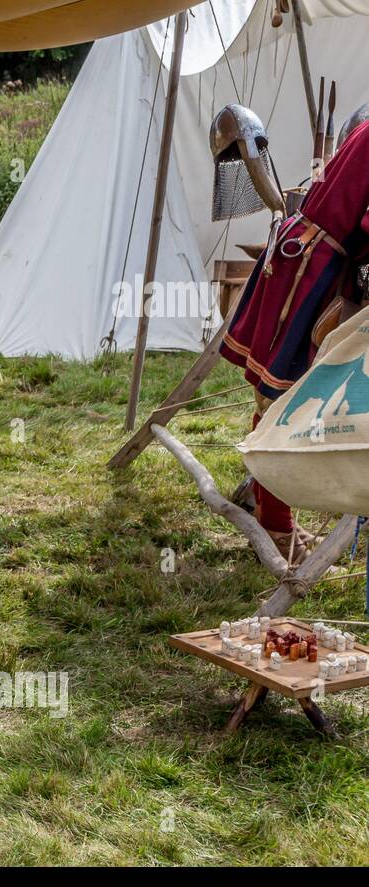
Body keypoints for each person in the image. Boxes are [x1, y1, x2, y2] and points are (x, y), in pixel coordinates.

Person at [219, 112, 369, 561]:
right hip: (313, 264)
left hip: (319, 258)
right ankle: (277, 525)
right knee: (280, 399)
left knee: (278, 399)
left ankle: (274, 514)